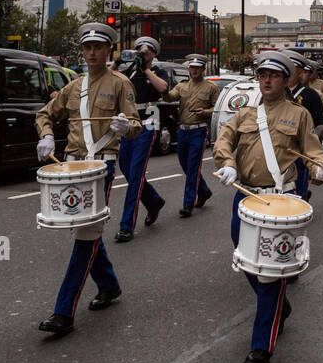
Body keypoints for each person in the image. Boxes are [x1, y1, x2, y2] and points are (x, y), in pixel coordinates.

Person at [213, 51, 323, 363]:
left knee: (270, 268)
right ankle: (280, 303)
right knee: (244, 255)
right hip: (247, 196)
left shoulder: (299, 114)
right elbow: (223, 140)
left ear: (286, 80)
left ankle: (260, 346)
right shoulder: (245, 114)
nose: (266, 80)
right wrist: (226, 164)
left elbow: (312, 151)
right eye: (262, 75)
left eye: (274, 76)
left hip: (281, 199)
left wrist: (319, 169)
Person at [34, 22, 141, 335]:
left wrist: (127, 127)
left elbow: (135, 123)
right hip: (71, 166)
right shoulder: (72, 86)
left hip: (101, 166)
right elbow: (45, 114)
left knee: (84, 234)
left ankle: (63, 311)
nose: (92, 52)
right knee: (84, 229)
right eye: (87, 47)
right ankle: (108, 284)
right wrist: (47, 136)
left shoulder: (121, 84)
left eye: (98, 47)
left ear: (109, 50)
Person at [114, 36, 171, 242]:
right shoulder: (130, 73)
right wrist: (118, 63)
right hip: (129, 124)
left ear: (154, 54)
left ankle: (126, 225)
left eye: (146, 51)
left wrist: (145, 68)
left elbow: (163, 88)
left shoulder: (156, 71)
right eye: (138, 49)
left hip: (148, 124)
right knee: (127, 169)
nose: (141, 53)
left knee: (136, 173)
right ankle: (154, 201)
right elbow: (111, 81)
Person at [165, 54, 219, 217]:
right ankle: (203, 191)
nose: (194, 70)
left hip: (199, 130)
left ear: (203, 69)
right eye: (192, 67)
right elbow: (169, 97)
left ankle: (188, 203)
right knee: (185, 165)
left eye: (198, 68)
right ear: (189, 69)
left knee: (193, 166)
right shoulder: (181, 86)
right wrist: (162, 90)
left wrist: (206, 112)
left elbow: (216, 109)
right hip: (182, 131)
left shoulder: (211, 87)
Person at [284, 51, 323, 202]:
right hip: (277, 150)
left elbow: (322, 124)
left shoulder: (310, 94)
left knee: (296, 194)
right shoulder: (273, 94)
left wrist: (310, 144)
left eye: (291, 67)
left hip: (298, 153)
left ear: (300, 71)